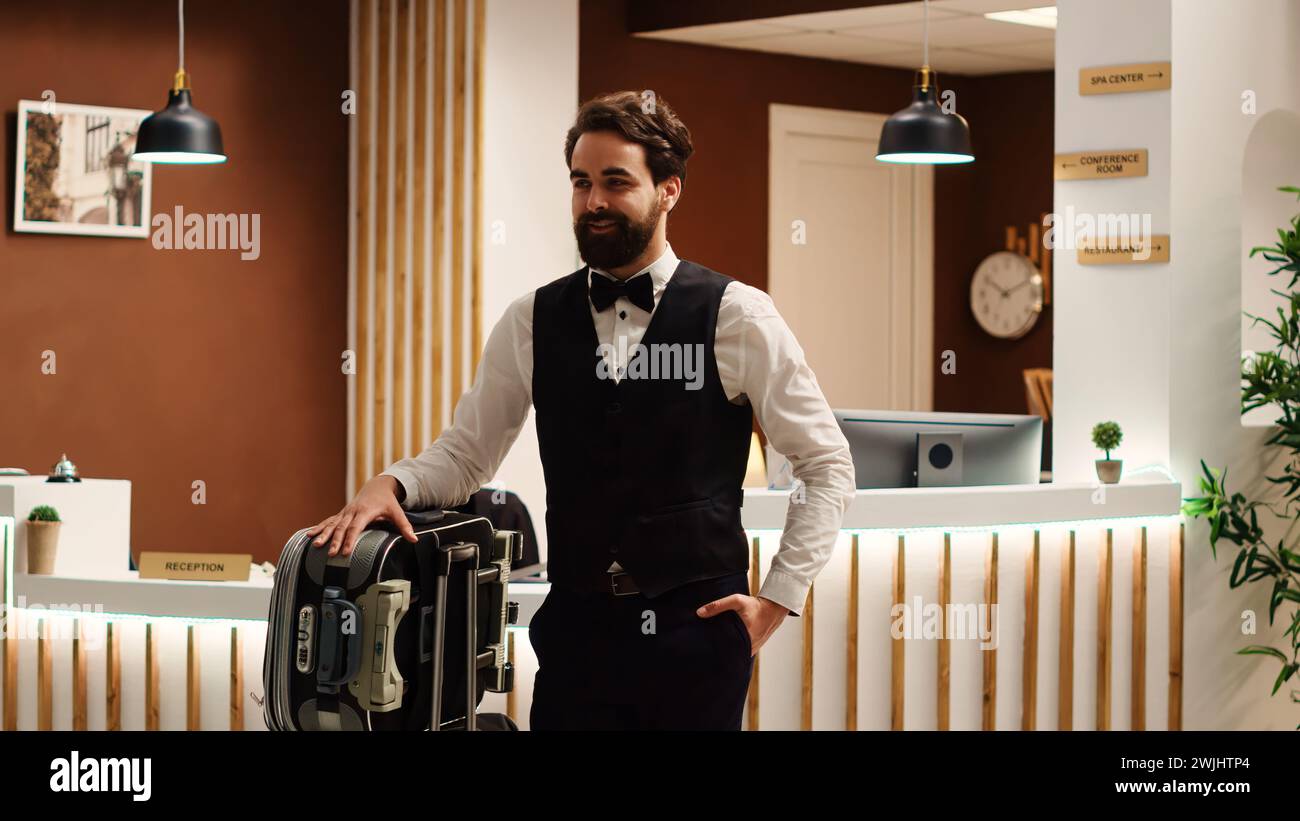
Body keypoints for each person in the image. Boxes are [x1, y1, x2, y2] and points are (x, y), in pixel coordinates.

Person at [306, 91, 855, 730]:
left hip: (696, 638)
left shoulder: (738, 315)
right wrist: (391, 482)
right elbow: (466, 454)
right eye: (581, 183)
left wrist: (777, 600)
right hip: (576, 636)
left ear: (669, 190)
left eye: (616, 182)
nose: (593, 202)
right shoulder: (530, 321)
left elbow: (826, 463)